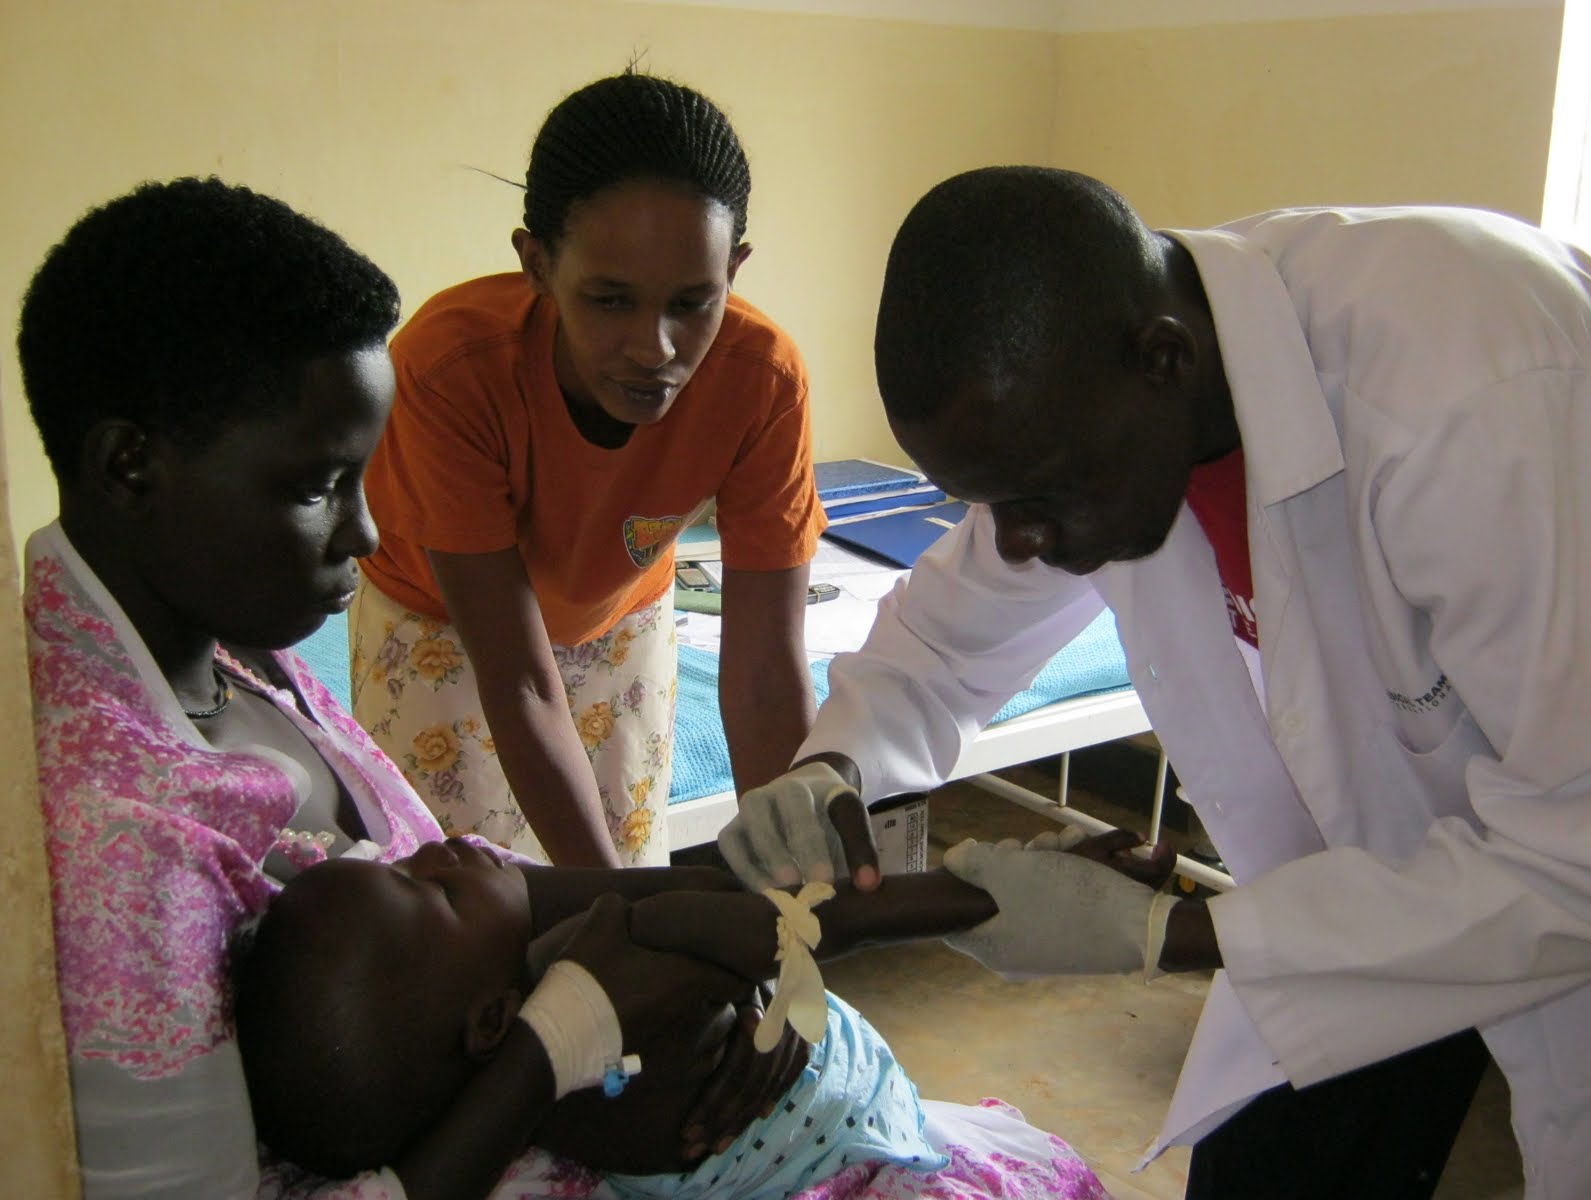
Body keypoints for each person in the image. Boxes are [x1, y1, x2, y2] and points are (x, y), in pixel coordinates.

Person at [717, 166, 1591, 1200]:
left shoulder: (1471, 395)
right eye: (985, 503)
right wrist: (830, 767)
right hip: (1386, 878)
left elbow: (1576, 856)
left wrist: (1159, 934)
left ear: (1164, 361)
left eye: (1036, 494)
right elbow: (938, 646)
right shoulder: (1097, 392)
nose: (1021, 542)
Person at [18, 176, 802, 1200]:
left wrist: (734, 904)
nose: (369, 535)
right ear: (130, 465)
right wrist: (556, 1044)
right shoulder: (123, 846)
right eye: (316, 488)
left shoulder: (217, 639)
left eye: (361, 477)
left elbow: (462, 894)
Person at [352, 69, 826, 869]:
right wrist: (615, 920)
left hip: (618, 617)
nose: (656, 348)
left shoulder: (763, 380)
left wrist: (796, 889)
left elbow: (767, 679)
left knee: (628, 856)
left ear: (734, 271)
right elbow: (519, 681)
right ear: (536, 265)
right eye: (610, 301)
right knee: (460, 904)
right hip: (443, 626)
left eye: (693, 301)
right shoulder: (448, 370)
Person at [234, 842, 1113, 1200]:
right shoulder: (620, 955)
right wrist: (999, 896)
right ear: (492, 1020)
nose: (435, 846)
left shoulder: (502, 1105)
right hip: (863, 1141)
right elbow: (817, 916)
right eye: (430, 887)